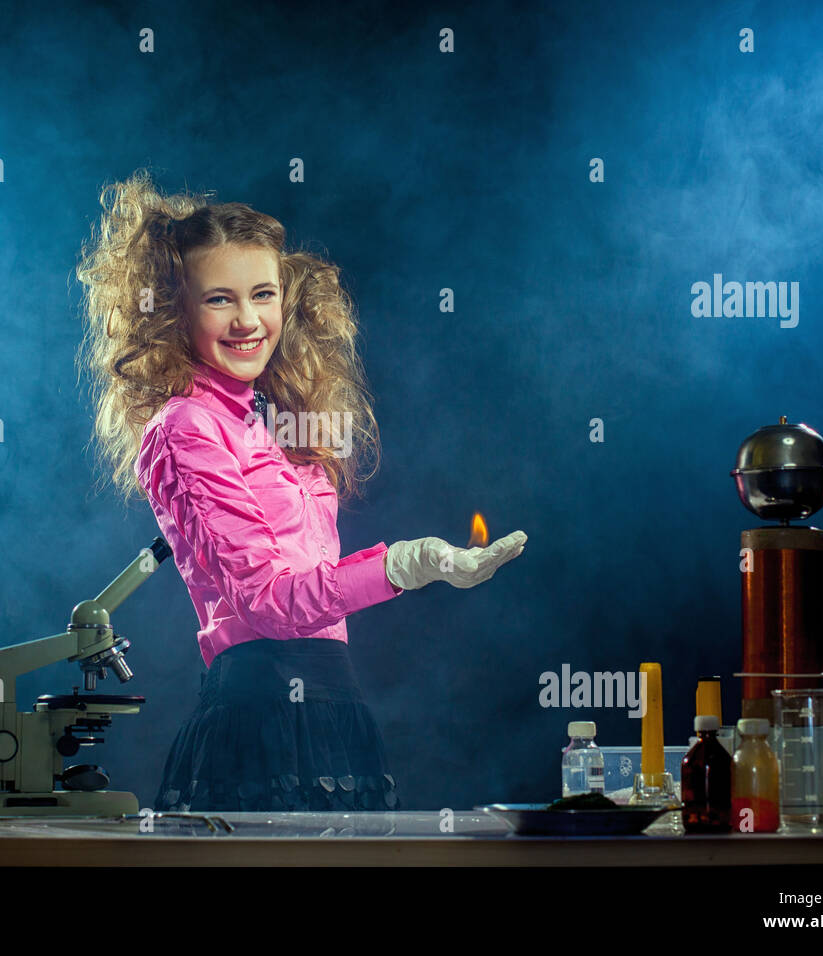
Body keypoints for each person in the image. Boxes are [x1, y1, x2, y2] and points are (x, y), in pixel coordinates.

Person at [75, 168, 527, 812]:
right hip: (260, 718)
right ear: (176, 311)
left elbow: (313, 587)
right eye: (219, 299)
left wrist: (417, 563)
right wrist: (405, 564)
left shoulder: (277, 420)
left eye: (262, 294)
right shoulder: (185, 426)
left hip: (335, 711)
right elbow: (266, 602)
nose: (248, 320)